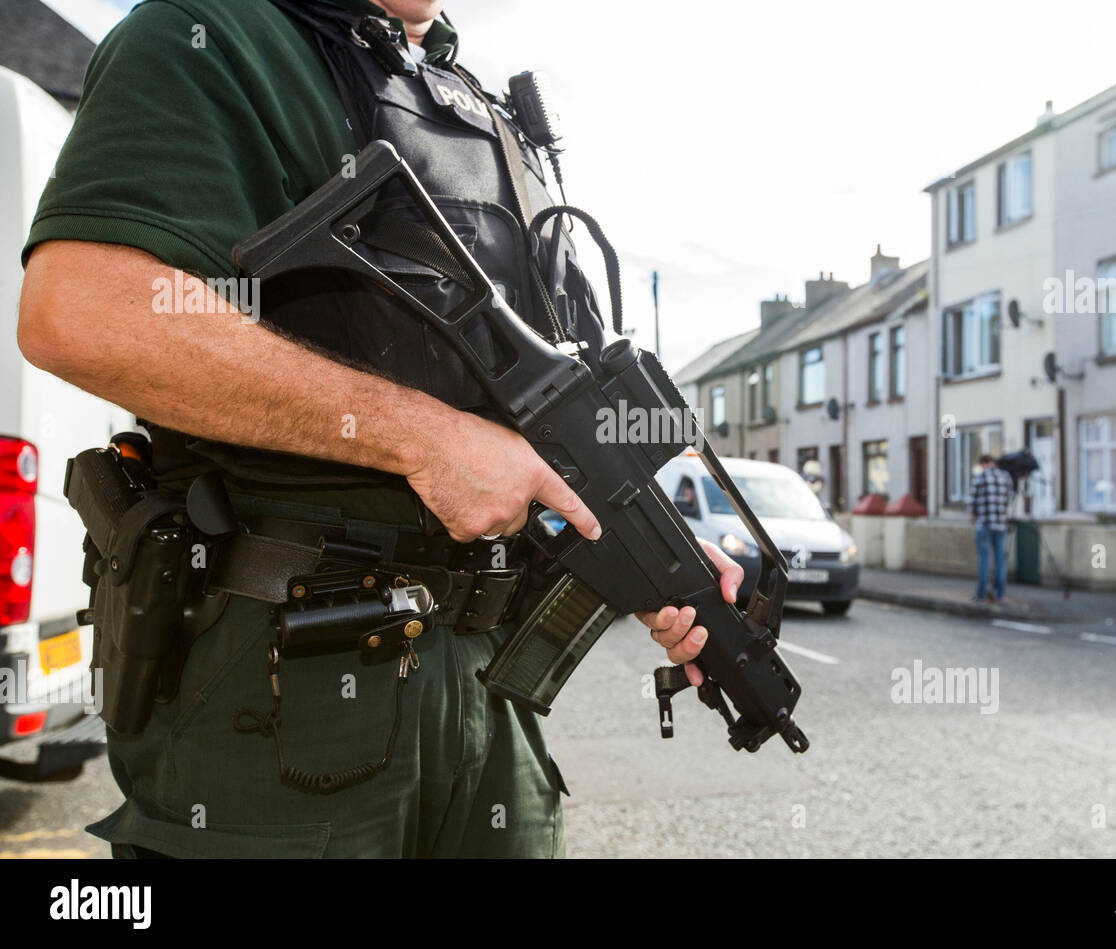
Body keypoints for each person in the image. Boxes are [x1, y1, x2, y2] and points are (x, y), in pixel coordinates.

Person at [17, 0, 740, 858]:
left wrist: (653, 551)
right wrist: (424, 439)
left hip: (489, 698)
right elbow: (81, 309)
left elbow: (544, 406)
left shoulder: (484, 114)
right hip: (286, 695)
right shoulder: (213, 36)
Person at [969, 454, 1014, 603]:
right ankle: (1000, 592)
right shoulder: (1006, 476)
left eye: (982, 465)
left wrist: (973, 515)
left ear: (984, 463)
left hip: (985, 523)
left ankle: (981, 593)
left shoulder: (981, 477)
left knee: (984, 558)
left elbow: (973, 499)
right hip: (1001, 524)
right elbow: (1010, 497)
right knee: (1000, 558)